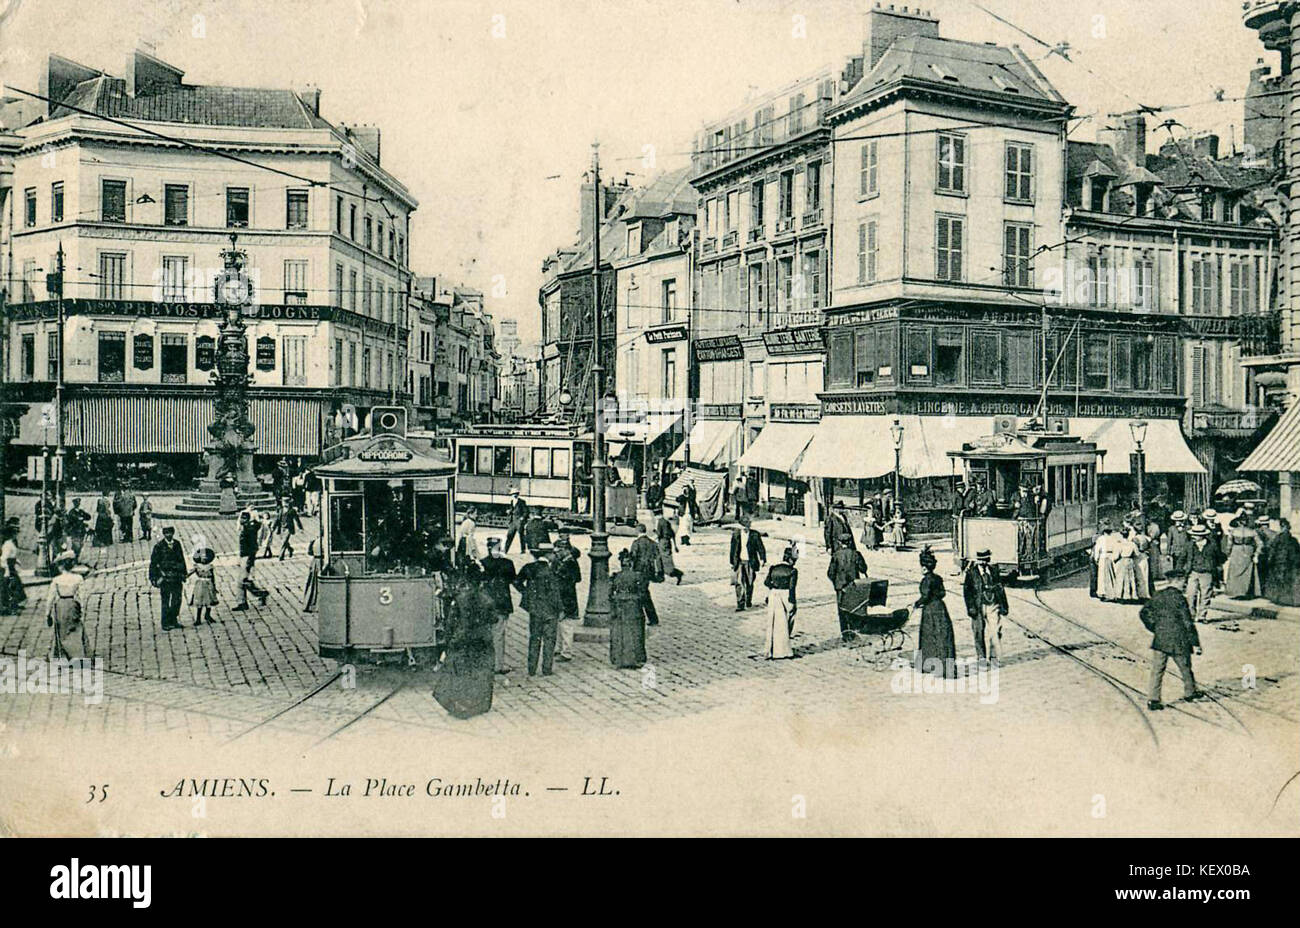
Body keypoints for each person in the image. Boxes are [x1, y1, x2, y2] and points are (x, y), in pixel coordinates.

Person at [433, 565, 497, 718]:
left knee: (459, 670)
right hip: (482, 638)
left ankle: (457, 702)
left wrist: (448, 642)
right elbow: (493, 619)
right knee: (482, 671)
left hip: (462, 638)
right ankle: (479, 703)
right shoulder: (488, 599)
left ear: (467, 581)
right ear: (481, 582)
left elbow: (450, 623)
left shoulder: (460, 599)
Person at [1140, 578, 1206, 711]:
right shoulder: (1179, 598)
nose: (1184, 585)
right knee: (1185, 667)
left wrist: (1155, 627)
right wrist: (1195, 643)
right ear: (1176, 582)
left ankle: (1153, 699)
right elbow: (1188, 623)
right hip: (1179, 640)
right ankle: (1190, 692)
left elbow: (1144, 613)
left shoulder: (1158, 595)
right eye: (1183, 582)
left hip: (1160, 639)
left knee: (1157, 670)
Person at [514, 545, 560, 676]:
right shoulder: (551, 571)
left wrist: (526, 594)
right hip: (550, 611)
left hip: (534, 609)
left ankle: (531, 668)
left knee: (534, 638)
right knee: (549, 640)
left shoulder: (529, 567)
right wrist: (560, 609)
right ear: (548, 555)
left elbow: (517, 581)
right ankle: (547, 668)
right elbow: (555, 593)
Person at [914, 545, 956, 677]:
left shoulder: (926, 580)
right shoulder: (937, 578)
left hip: (930, 611)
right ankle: (946, 668)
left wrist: (917, 603)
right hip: (941, 608)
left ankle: (931, 665)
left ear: (924, 567)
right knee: (943, 636)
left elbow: (925, 596)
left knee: (930, 636)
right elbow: (942, 593)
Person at [963, 549, 1008, 663]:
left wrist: (1004, 605)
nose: (983, 563)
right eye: (981, 561)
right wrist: (970, 608)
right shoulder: (971, 573)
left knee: (996, 631)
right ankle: (981, 658)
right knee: (978, 632)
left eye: (985, 560)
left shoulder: (993, 571)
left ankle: (993, 657)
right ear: (977, 560)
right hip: (978, 606)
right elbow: (967, 592)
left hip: (993, 605)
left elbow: (1000, 588)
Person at [481, 537, 517, 673]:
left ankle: (486, 663)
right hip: (502, 603)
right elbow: (513, 579)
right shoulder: (507, 563)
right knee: (499, 634)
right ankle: (498, 665)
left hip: (486, 602)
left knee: (486, 633)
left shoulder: (482, 563)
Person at [45, 549, 88, 660]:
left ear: (61, 567)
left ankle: (62, 655)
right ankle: (78, 654)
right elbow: (82, 595)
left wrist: (47, 613)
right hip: (73, 604)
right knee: (75, 629)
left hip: (60, 605)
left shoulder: (57, 580)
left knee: (61, 630)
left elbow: (50, 598)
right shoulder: (78, 578)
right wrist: (82, 608)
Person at [827, 529, 868, 641]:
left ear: (840, 543)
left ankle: (845, 633)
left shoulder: (836, 555)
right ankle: (853, 631)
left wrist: (837, 583)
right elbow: (864, 568)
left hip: (840, 587)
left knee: (842, 610)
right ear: (850, 542)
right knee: (853, 608)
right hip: (854, 586)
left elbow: (830, 573)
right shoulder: (856, 554)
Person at [609, 549, 647, 669]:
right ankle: (635, 659)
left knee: (619, 632)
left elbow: (609, 594)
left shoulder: (616, 576)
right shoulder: (637, 576)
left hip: (619, 606)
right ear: (631, 563)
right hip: (633, 606)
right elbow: (643, 594)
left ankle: (618, 659)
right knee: (635, 631)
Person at [762, 543, 798, 660]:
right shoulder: (792, 571)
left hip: (773, 594)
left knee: (773, 623)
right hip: (785, 595)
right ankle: (783, 649)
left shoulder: (773, 568)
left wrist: (774, 586)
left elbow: (766, 582)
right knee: (785, 623)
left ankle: (771, 649)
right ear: (790, 560)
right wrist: (792, 601)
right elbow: (792, 588)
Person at [148, 525, 188, 632]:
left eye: (170, 533)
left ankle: (173, 619)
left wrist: (184, 573)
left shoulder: (177, 544)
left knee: (177, 600)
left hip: (176, 577)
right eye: (166, 533)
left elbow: (181, 559)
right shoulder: (159, 546)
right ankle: (165, 622)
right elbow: (154, 563)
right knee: (165, 601)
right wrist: (154, 578)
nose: (168, 535)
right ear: (163, 534)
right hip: (165, 578)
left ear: (173, 533)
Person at [551, 534, 582, 662]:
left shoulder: (568, 564)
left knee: (566, 626)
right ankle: (559, 649)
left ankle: (566, 652)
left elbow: (567, 585)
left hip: (567, 599)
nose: (556, 553)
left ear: (565, 550)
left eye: (558, 550)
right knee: (560, 625)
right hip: (563, 597)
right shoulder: (566, 562)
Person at [729, 514, 766, 612]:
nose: (746, 528)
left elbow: (760, 547)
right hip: (739, 562)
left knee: (749, 582)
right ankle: (740, 603)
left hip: (750, 562)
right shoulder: (736, 534)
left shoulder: (755, 534)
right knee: (739, 583)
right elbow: (733, 549)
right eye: (744, 526)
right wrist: (732, 562)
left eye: (748, 526)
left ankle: (748, 600)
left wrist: (762, 559)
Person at [628, 522, 663, 626]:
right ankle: (652, 618)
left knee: (640, 594)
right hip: (649, 571)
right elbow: (658, 558)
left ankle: (644, 617)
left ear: (637, 531)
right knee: (644, 592)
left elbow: (632, 557)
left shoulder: (636, 543)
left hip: (638, 571)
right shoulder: (652, 543)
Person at [234, 510, 269, 611]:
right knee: (244, 581)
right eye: (241, 518)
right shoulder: (248, 528)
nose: (241, 520)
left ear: (248, 519)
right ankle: (245, 601)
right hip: (244, 557)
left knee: (243, 582)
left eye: (244, 518)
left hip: (247, 557)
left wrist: (249, 561)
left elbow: (253, 547)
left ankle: (258, 595)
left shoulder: (249, 530)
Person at [1222, 511, 1261, 599]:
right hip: (1248, 551)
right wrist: (1256, 554)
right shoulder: (1252, 531)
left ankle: (1236, 592)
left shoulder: (1233, 531)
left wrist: (1228, 554)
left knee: (1235, 572)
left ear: (1238, 522)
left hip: (1236, 551)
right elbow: (1260, 543)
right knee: (1247, 573)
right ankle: (1245, 592)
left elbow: (1229, 545)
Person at [1184, 523, 1218, 623]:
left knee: (1205, 595)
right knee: (1191, 595)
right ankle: (1191, 615)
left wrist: (1213, 566)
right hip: (1193, 572)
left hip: (1207, 573)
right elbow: (1182, 557)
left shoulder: (1212, 545)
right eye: (1192, 534)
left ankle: (1202, 616)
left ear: (1202, 535)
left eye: (1195, 535)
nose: (1192, 536)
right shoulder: (1189, 545)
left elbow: (1219, 556)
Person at [1263, 518, 1299, 607]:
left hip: (1280, 561)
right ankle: (1287, 599)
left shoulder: (1278, 538)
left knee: (1279, 580)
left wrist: (1270, 559)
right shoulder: (1293, 539)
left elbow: (1272, 550)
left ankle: (1280, 599)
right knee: (1287, 580)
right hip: (1289, 562)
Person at [189, 542, 217, 626]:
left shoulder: (210, 566)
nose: (204, 559)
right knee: (199, 601)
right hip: (200, 584)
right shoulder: (197, 566)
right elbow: (190, 572)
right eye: (202, 558)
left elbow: (213, 576)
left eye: (205, 558)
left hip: (208, 584)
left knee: (209, 601)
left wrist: (214, 586)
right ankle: (198, 618)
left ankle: (207, 615)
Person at [1112, 523, 1141, 602]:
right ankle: (1133, 595)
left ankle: (1121, 595)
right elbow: (1137, 554)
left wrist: (1114, 560)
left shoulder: (1119, 544)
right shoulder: (1132, 544)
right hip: (1130, 560)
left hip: (1122, 561)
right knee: (1131, 578)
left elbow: (1116, 556)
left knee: (1121, 578)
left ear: (1121, 535)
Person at [0, 525, 24, 615]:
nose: (16, 535)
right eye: (14, 533)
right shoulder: (7, 545)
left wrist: (17, 561)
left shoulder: (11, 543)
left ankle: (15, 605)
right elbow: (3, 558)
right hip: (9, 567)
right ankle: (12, 607)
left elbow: (12, 555)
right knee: (12, 587)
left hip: (12, 566)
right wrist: (7, 570)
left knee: (16, 586)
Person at [655, 507, 683, 584]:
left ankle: (676, 573)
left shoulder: (660, 522)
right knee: (659, 558)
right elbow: (673, 534)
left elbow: (659, 534)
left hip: (662, 542)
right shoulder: (666, 522)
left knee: (664, 560)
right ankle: (660, 576)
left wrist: (655, 532)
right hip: (668, 542)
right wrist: (675, 546)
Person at [1091, 522, 1118, 601]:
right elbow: (1116, 549)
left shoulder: (1100, 539)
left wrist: (1096, 559)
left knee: (1102, 576)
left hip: (1103, 557)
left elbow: (1097, 550)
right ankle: (1113, 593)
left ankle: (1103, 593)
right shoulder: (1113, 539)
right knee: (1112, 575)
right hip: (1111, 557)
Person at [64, 498, 90, 563]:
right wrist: (79, 519)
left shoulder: (81, 511)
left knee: (81, 545)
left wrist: (83, 516)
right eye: (76, 503)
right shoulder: (71, 512)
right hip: (75, 531)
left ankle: (77, 558)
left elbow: (88, 517)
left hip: (81, 531)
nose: (77, 504)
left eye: (78, 503)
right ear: (74, 504)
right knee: (76, 545)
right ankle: (74, 559)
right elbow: (71, 520)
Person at [503, 490, 530, 554]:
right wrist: (509, 511)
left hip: (519, 522)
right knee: (509, 535)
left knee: (521, 536)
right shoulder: (512, 502)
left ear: (518, 494)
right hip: (512, 521)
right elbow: (512, 510)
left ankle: (523, 550)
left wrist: (522, 518)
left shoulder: (522, 502)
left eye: (515, 494)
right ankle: (505, 550)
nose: (514, 495)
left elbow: (526, 511)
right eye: (513, 494)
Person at [1167, 510, 1190, 579]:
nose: (1179, 521)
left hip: (1186, 551)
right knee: (1176, 567)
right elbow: (1169, 541)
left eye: (1181, 520)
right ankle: (1177, 581)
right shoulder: (1171, 529)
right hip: (1176, 551)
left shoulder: (1188, 528)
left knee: (1186, 567)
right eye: (1177, 520)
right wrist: (1168, 553)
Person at [303, 537, 321, 614]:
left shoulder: (315, 541)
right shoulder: (326, 542)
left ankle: (309, 603)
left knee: (312, 584)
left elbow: (309, 552)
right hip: (321, 562)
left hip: (314, 563)